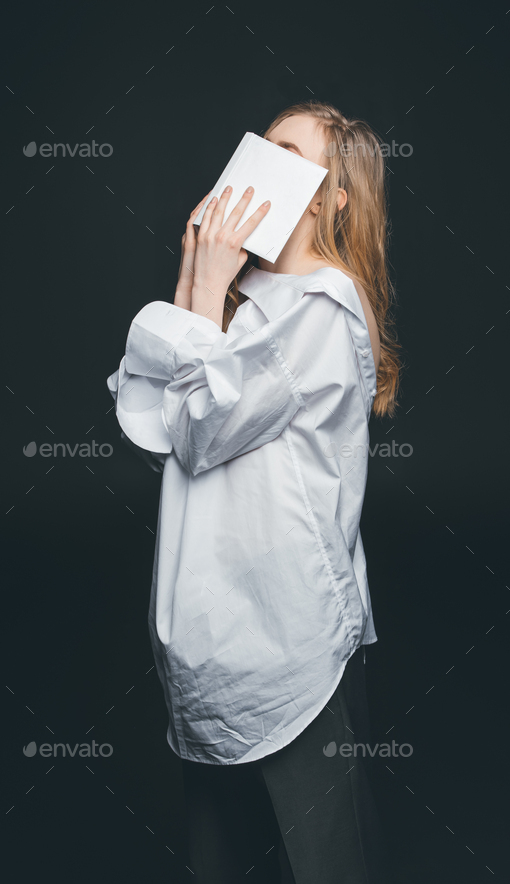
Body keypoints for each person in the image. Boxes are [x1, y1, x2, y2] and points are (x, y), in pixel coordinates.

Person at [107, 99, 401, 883]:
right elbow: (149, 434)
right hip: (209, 644)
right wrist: (196, 280)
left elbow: (199, 432)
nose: (258, 157)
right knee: (222, 860)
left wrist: (200, 293)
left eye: (287, 149)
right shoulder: (240, 307)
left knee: (328, 861)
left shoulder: (323, 305)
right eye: (260, 141)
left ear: (330, 194)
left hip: (292, 641)